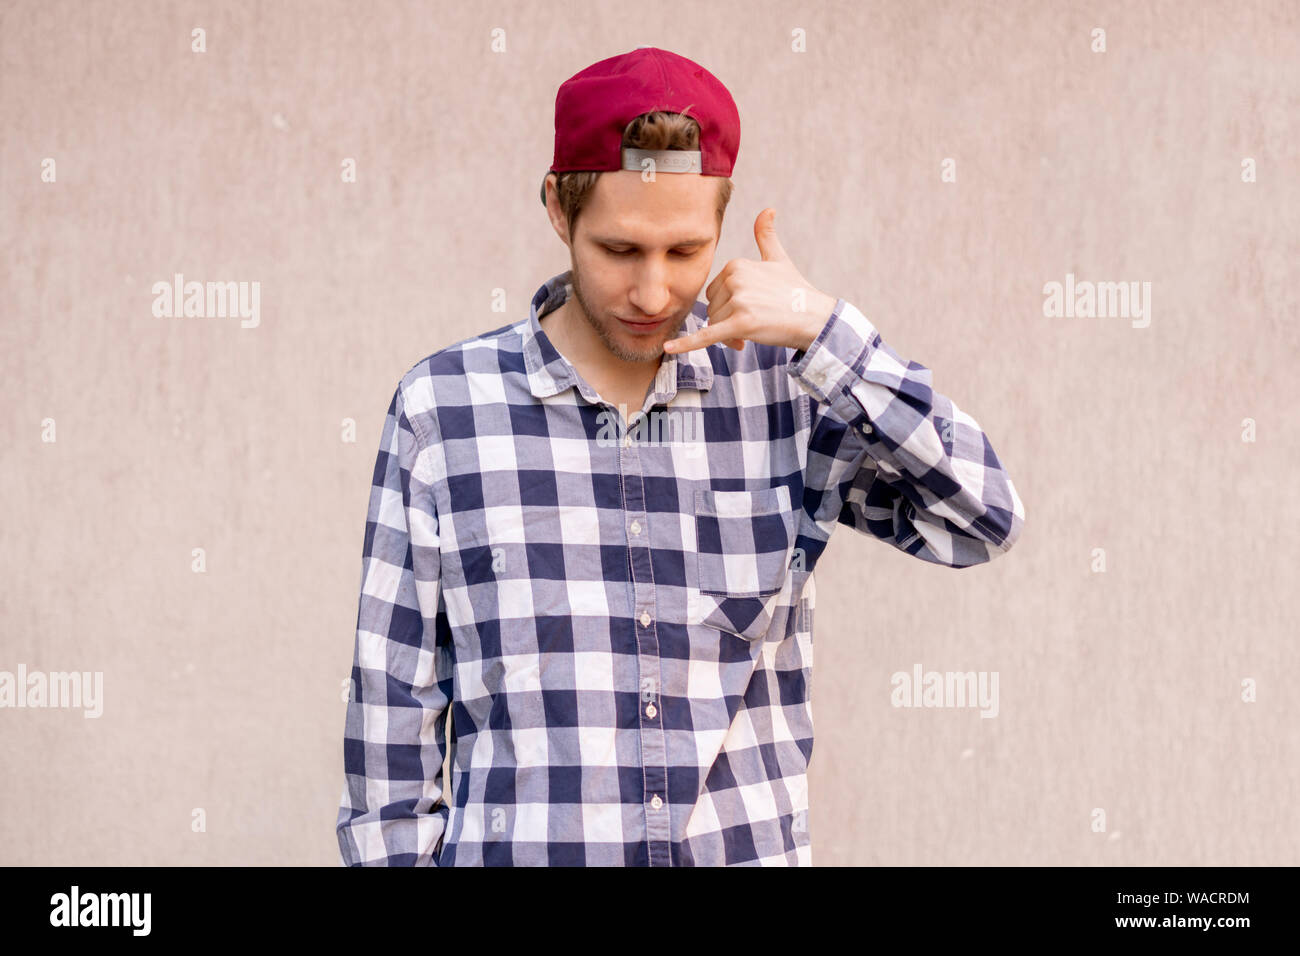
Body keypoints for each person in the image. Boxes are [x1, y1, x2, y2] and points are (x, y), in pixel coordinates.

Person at [335, 46, 1024, 866]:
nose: (655, 293)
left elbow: (983, 518)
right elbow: (391, 719)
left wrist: (829, 332)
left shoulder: (790, 389)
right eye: (620, 251)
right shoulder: (442, 409)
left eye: (685, 251)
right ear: (558, 209)